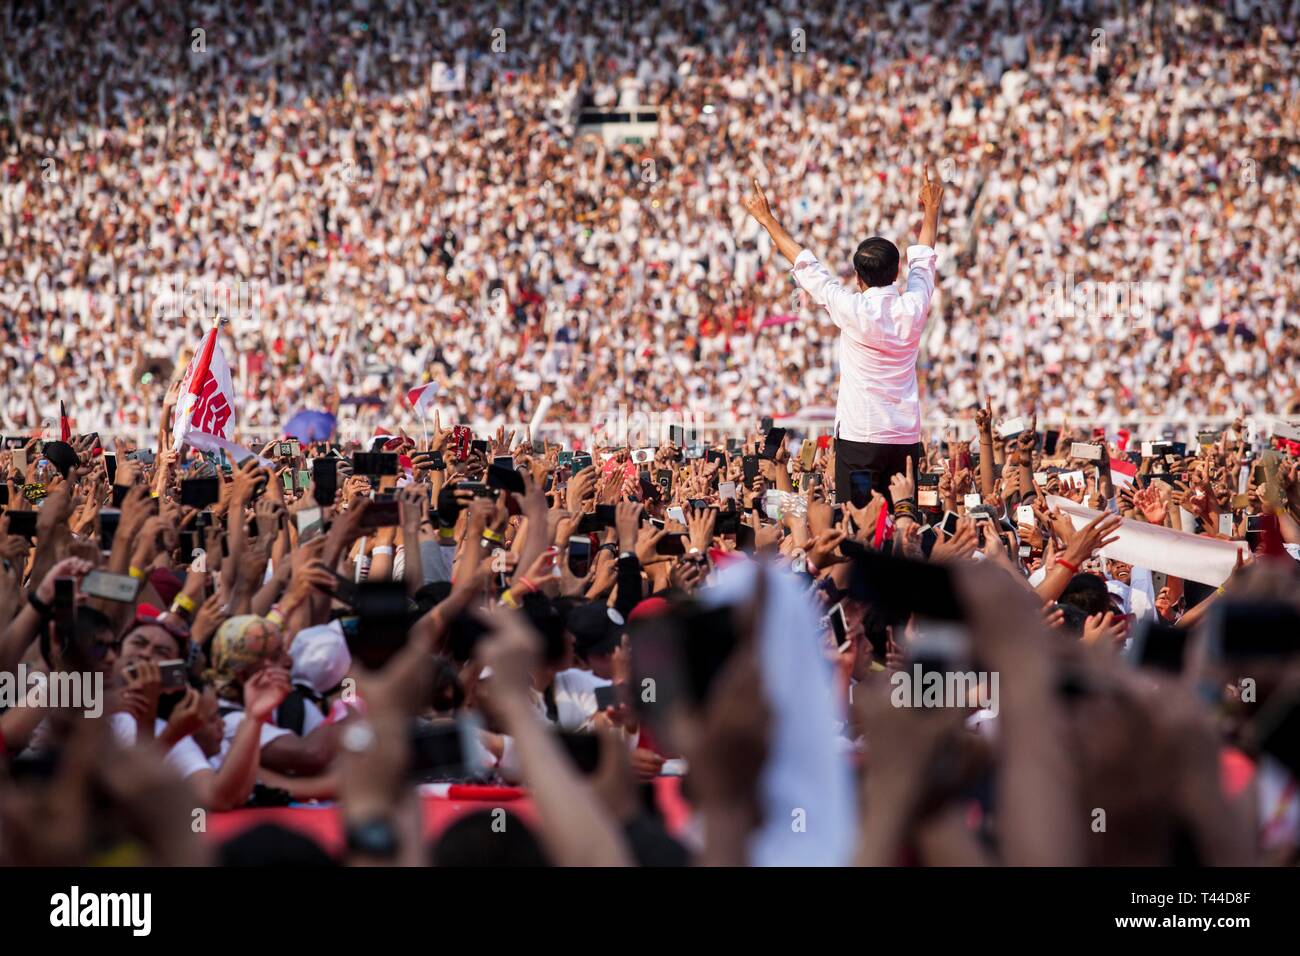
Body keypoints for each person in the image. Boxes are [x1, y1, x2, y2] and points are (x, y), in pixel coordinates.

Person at [744, 165, 944, 502]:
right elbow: (924, 261)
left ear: (858, 278)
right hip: (904, 438)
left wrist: (767, 220)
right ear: (897, 272)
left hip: (860, 440)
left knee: (858, 523)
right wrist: (932, 210)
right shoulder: (913, 307)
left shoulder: (852, 309)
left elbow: (806, 266)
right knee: (901, 520)